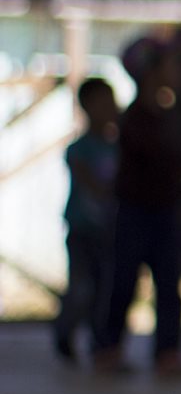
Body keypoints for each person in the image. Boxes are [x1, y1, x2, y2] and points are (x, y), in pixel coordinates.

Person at [94, 36, 181, 377]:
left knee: (169, 285)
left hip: (164, 213)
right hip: (135, 212)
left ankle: (168, 353)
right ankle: (108, 348)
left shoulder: (169, 116)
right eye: (172, 65)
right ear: (152, 73)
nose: (180, 72)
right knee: (123, 282)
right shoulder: (136, 119)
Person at [54, 78, 119, 364]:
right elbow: (91, 184)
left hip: (109, 231)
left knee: (105, 289)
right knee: (82, 288)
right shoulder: (78, 149)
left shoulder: (120, 148)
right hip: (82, 230)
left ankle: (99, 342)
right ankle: (64, 331)